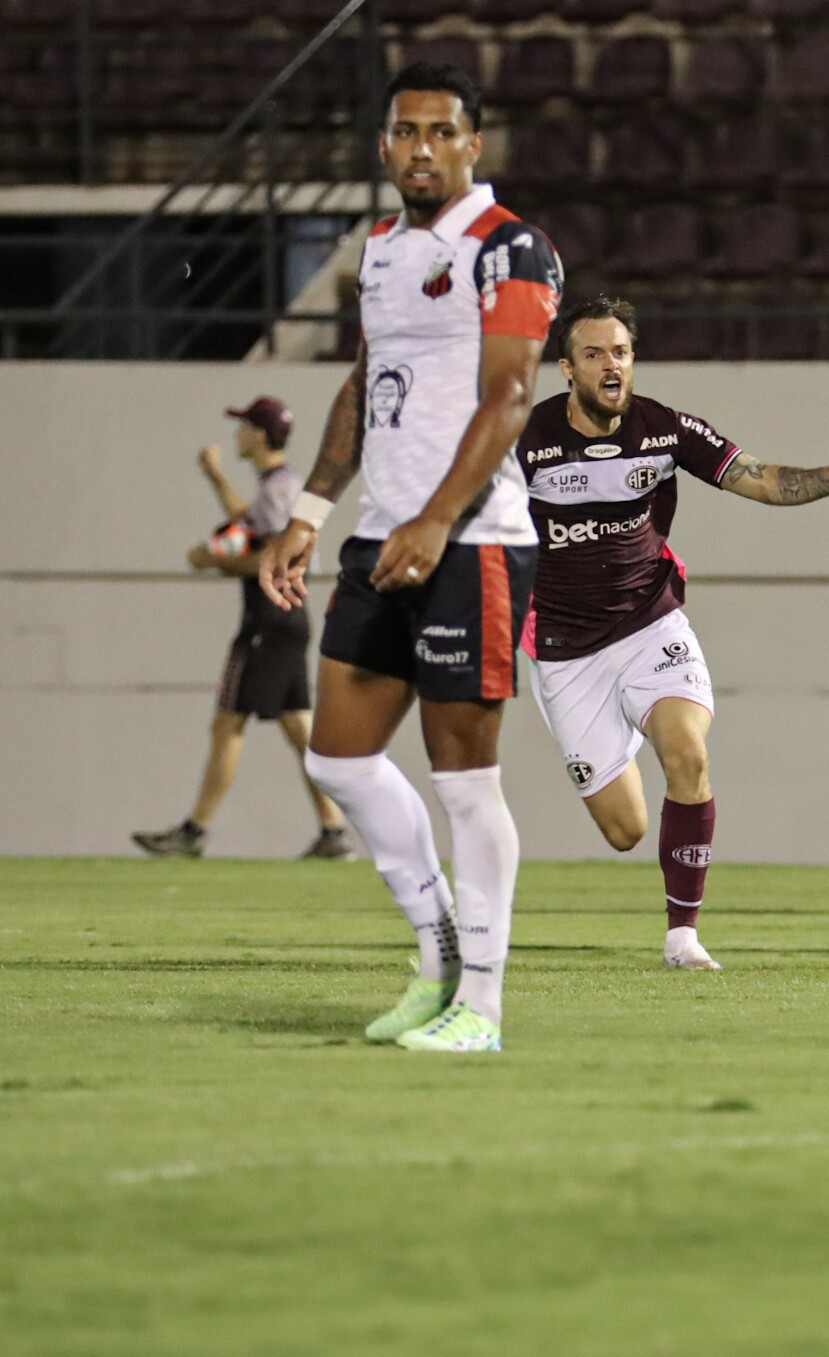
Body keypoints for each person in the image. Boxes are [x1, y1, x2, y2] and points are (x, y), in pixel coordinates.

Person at [259, 62, 563, 1054]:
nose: (420, 148)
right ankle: (435, 953)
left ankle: (482, 999)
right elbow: (363, 381)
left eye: (441, 131)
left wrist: (434, 519)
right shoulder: (383, 249)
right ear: (384, 146)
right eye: (404, 132)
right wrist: (309, 509)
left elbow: (509, 397)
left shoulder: (509, 245)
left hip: (471, 541)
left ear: (474, 144)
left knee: (465, 781)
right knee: (337, 757)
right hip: (380, 534)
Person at [516, 296, 829, 970]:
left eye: (622, 352)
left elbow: (760, 478)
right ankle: (615, 732)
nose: (613, 365)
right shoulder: (527, 440)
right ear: (566, 368)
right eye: (596, 353)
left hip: (647, 623)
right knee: (625, 829)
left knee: (687, 754)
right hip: (566, 650)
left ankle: (682, 937)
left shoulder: (663, 428)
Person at [133, 398, 351, 861]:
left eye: (245, 427)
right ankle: (333, 832)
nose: (238, 435)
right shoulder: (283, 485)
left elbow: (270, 553)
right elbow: (249, 525)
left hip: (266, 621)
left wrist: (216, 559)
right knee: (299, 730)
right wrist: (216, 482)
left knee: (228, 721)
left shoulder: (277, 488)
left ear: (259, 433)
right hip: (290, 618)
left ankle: (194, 831)